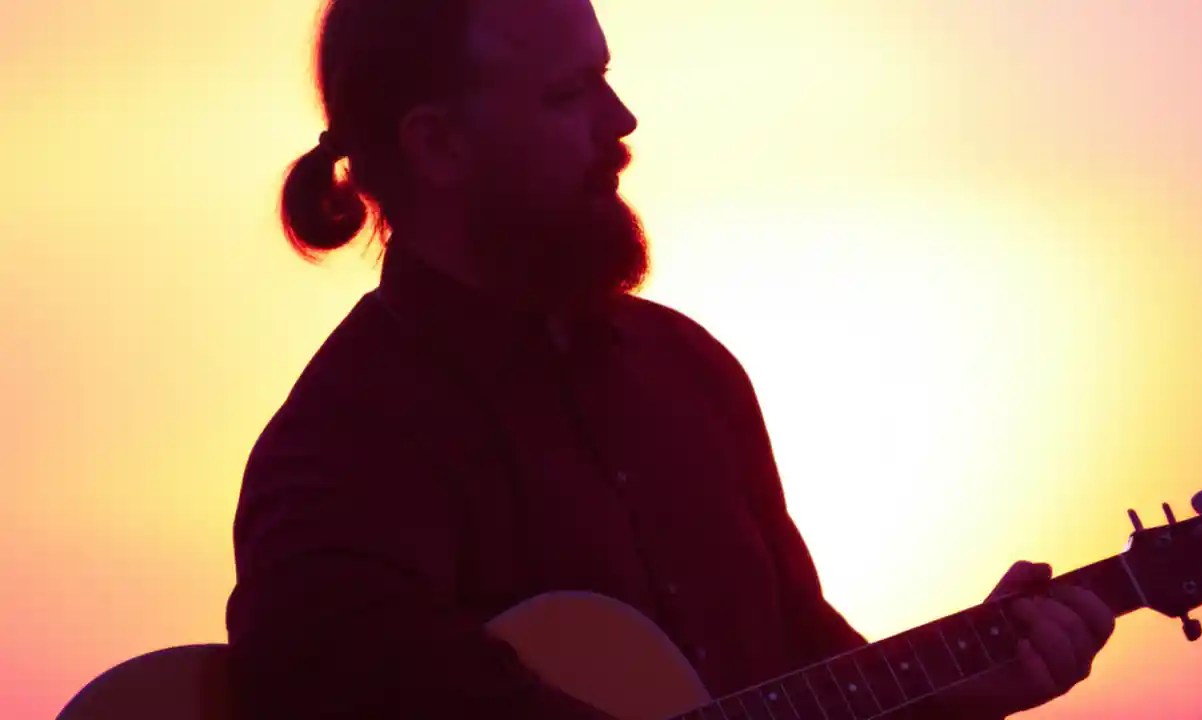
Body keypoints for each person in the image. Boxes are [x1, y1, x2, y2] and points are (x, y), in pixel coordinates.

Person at [225, 0, 1116, 717]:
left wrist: (958, 691)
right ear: (438, 146)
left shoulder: (690, 372)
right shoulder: (340, 451)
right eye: (568, 95)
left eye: (604, 78)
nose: (621, 121)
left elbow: (808, 668)